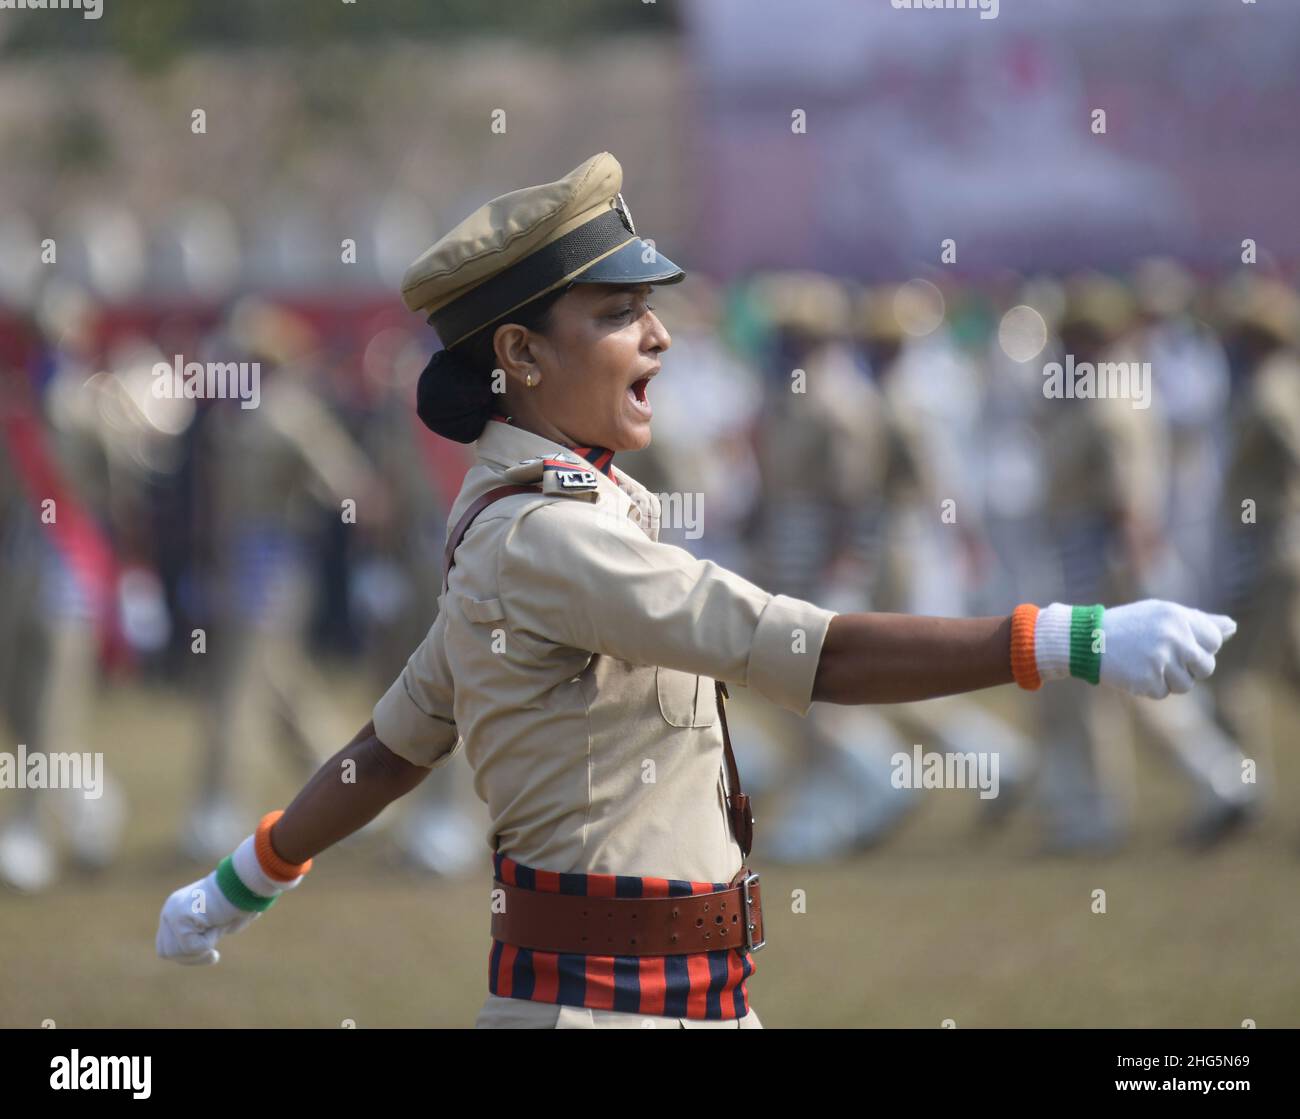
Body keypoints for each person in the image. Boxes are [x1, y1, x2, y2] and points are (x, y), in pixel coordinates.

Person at [156, 152, 1239, 1028]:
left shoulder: (532, 525)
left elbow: (393, 746)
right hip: (603, 1005)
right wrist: (1067, 637)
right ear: (523, 355)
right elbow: (805, 649)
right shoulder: (547, 537)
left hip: (667, 995)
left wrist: (247, 876)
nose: (661, 333)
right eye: (620, 311)